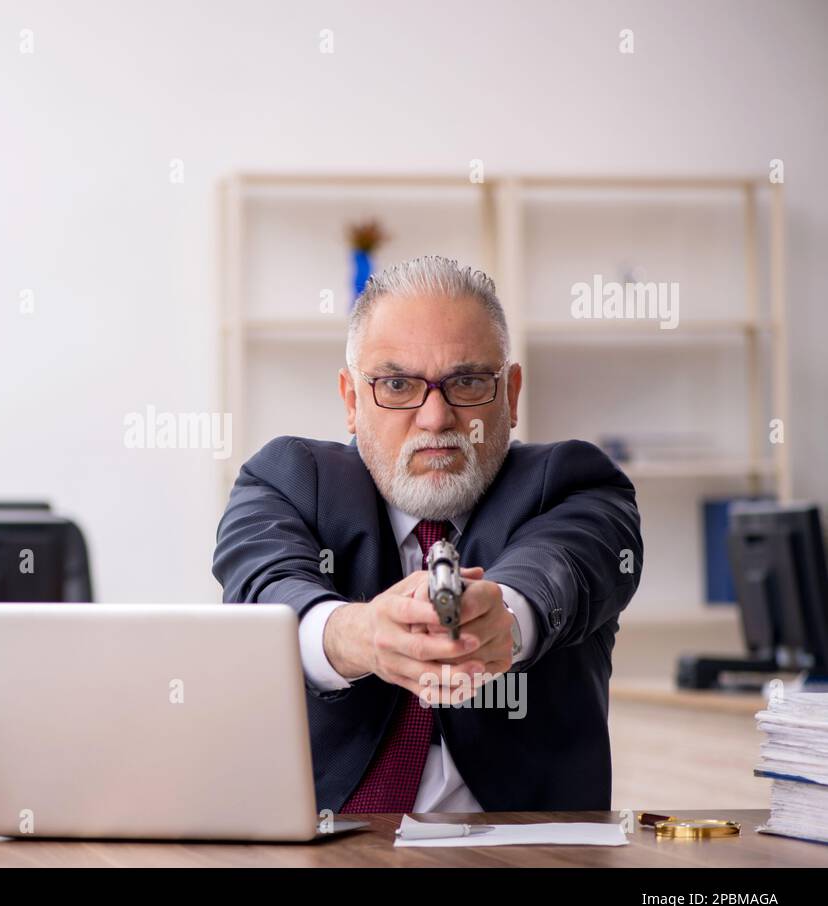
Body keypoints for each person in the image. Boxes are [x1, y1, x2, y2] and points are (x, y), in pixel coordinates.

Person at [213, 255, 643, 813]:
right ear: (352, 401)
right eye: (396, 384)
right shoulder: (287, 479)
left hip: (522, 849)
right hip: (319, 844)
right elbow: (262, 591)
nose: (436, 418)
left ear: (510, 395)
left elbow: (560, 568)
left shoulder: (573, 483)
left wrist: (501, 620)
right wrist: (358, 635)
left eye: (467, 382)